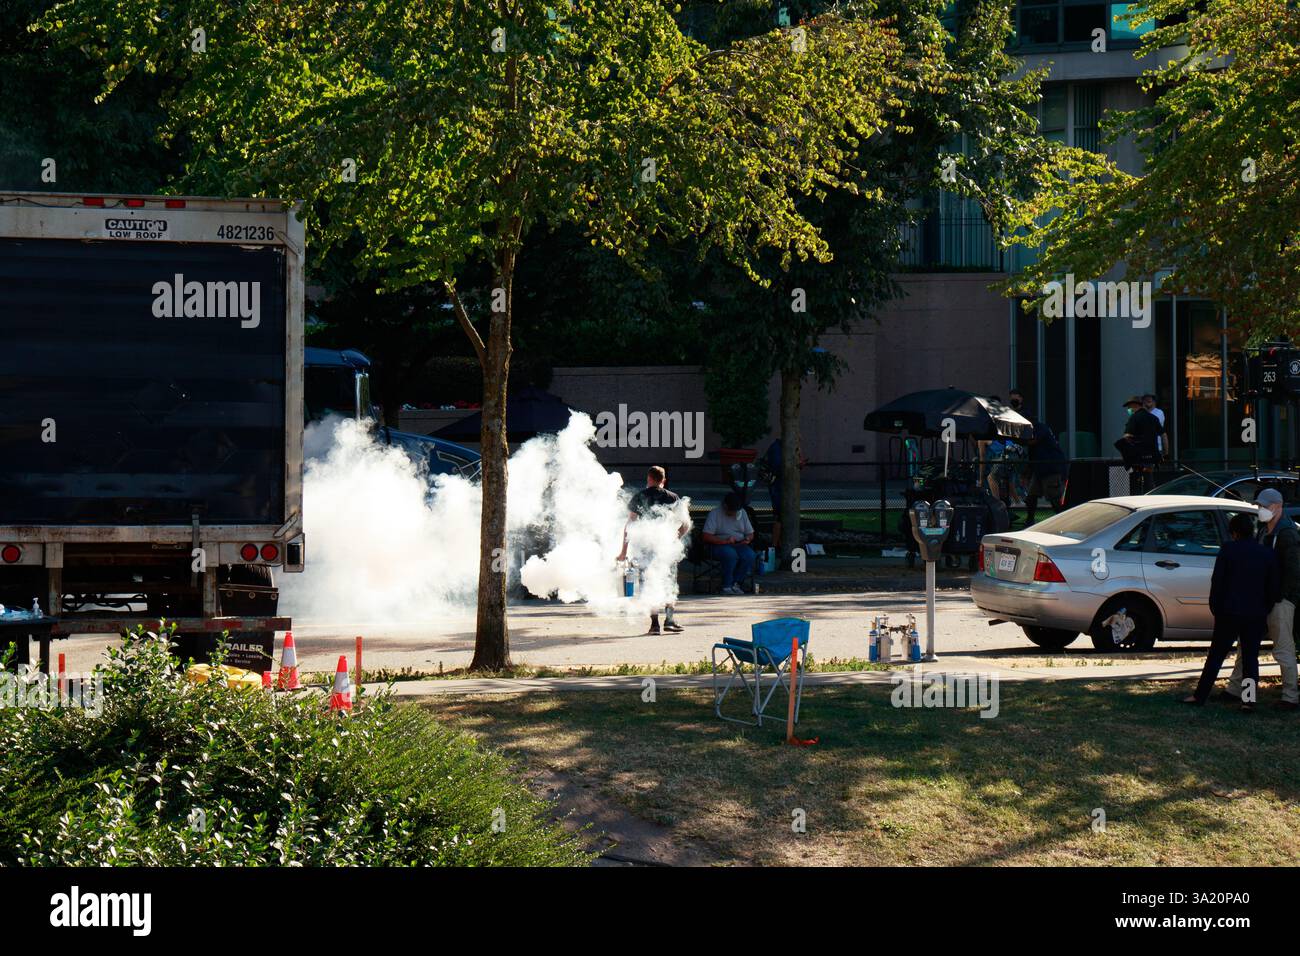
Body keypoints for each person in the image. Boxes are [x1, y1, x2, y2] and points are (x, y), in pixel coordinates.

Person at [1184, 512, 1279, 710]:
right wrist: (1265, 608)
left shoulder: (1228, 550)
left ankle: (1200, 695)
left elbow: (1217, 581)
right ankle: (1248, 700)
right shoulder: (1266, 554)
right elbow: (1272, 587)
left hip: (1228, 611)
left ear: (1234, 532)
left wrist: (1216, 607)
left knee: (1216, 656)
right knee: (1250, 659)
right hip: (1255, 613)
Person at [1224, 488, 1300, 710]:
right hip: (1260, 600)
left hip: (1278, 600)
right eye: (1259, 506)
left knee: (1282, 648)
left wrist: (1282, 598)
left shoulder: (1287, 534)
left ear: (1277, 506)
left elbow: (1294, 571)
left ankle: (1290, 696)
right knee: (1246, 648)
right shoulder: (1264, 531)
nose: (1260, 510)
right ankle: (1237, 690)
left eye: (1264, 506)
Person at [618, 465, 690, 635]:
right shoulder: (673, 497)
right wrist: (675, 538)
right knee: (669, 581)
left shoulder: (639, 497)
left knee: (649, 583)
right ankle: (670, 620)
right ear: (663, 480)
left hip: (646, 548)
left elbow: (629, 526)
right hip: (666, 548)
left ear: (649, 479)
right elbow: (685, 524)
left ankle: (654, 625)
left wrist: (623, 552)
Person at [702, 492, 755, 595]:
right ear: (725, 506)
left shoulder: (742, 513)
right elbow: (706, 536)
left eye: (736, 511)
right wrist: (725, 541)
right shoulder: (715, 513)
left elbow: (750, 533)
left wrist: (748, 539)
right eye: (732, 511)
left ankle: (736, 583)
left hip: (739, 544)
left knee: (750, 555)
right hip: (719, 545)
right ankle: (727, 585)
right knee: (730, 554)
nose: (734, 514)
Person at [761, 438, 807, 554]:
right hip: (778, 486)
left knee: (782, 516)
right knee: (779, 516)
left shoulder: (791, 448)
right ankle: (774, 545)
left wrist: (799, 463)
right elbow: (778, 467)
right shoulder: (777, 449)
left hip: (784, 486)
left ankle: (778, 544)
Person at [1022, 419, 1068, 527]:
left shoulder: (1041, 428)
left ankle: (1064, 522)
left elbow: (1033, 441)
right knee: (1031, 496)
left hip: (1051, 468)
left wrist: (1018, 439)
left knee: (1054, 497)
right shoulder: (1034, 431)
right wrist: (1027, 473)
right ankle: (1029, 521)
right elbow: (1032, 453)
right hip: (1040, 469)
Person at [1115, 395, 1162, 492]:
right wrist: (1165, 452)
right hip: (1151, 456)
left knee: (1135, 482)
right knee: (1149, 480)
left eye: (1129, 407)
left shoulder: (1134, 418)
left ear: (1134, 405)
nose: (1128, 409)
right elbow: (1164, 435)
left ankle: (1137, 499)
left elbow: (1127, 436)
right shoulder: (1153, 418)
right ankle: (1150, 498)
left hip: (1137, 457)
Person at [1143, 394, 1166, 459]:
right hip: (1143, 448)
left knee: (1155, 467)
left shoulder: (1159, 412)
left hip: (1157, 447)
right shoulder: (1141, 412)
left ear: (1154, 402)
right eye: (1146, 400)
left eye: (1150, 400)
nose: (1148, 401)